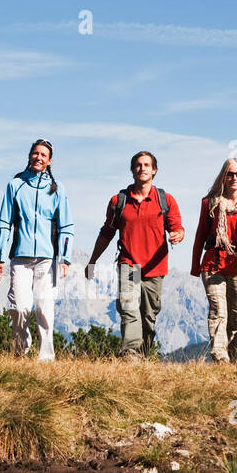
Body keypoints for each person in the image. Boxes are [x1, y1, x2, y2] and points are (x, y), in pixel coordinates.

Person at [84, 151, 185, 358]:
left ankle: (144, 354)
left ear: (154, 170)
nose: (142, 168)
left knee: (148, 316)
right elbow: (107, 233)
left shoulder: (166, 200)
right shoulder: (118, 201)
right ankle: (130, 354)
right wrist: (92, 261)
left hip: (154, 268)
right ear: (132, 170)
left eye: (147, 165)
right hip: (129, 264)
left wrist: (178, 235)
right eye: (138, 165)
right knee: (129, 309)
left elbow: (178, 228)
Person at [0, 140, 74, 361]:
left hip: (47, 260)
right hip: (20, 258)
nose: (39, 157)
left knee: (44, 309)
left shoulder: (57, 189)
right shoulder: (15, 185)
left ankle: (46, 359)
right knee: (19, 308)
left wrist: (65, 259)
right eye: (35, 153)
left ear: (49, 161)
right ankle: (20, 353)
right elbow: (4, 222)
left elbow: (66, 226)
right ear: (29, 156)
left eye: (43, 155)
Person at [189, 158, 237, 362]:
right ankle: (220, 357)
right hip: (214, 264)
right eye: (230, 174)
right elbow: (200, 234)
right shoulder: (210, 203)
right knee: (218, 311)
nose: (234, 178)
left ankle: (230, 356)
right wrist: (195, 266)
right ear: (223, 176)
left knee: (235, 318)